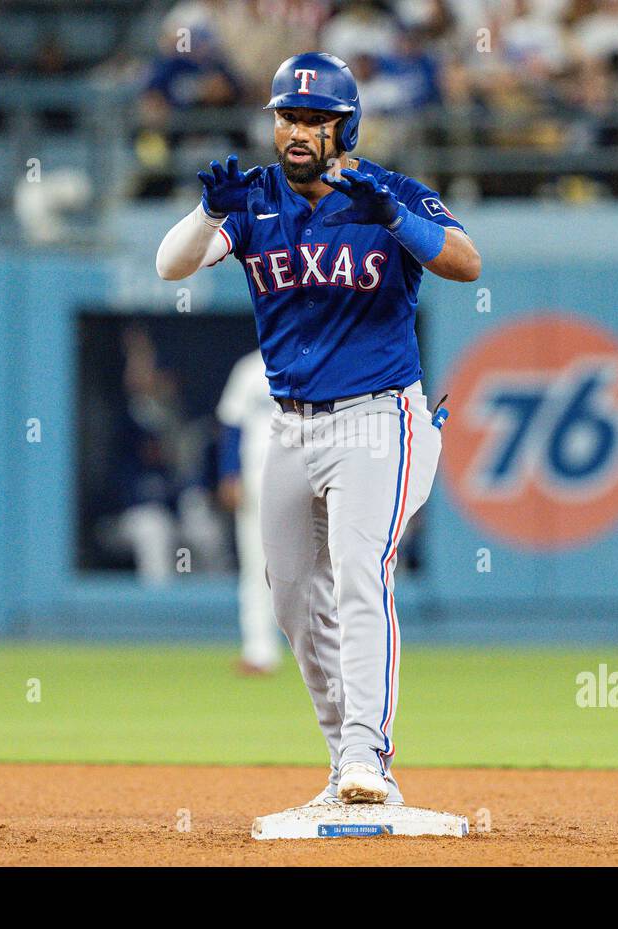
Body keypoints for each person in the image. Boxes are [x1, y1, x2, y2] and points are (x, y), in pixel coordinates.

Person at [156, 52, 480, 806]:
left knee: (360, 571)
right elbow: (172, 266)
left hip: (378, 417)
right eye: (287, 116)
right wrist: (208, 212)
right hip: (290, 425)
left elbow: (466, 262)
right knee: (293, 595)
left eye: (314, 119)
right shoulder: (255, 199)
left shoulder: (389, 192)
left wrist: (396, 219)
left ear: (346, 127)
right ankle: (346, 765)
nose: (296, 130)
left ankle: (369, 752)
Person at [216, 349, 285, 675]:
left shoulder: (321, 359)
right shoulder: (249, 368)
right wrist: (229, 474)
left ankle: (328, 654)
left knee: (322, 571)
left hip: (308, 479)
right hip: (256, 481)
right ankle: (259, 651)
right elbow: (231, 427)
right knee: (257, 569)